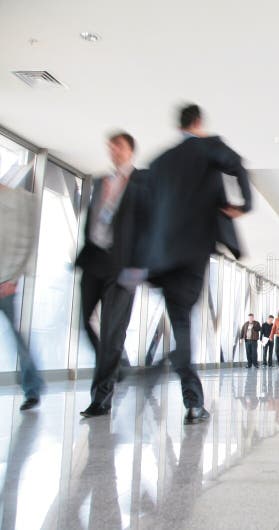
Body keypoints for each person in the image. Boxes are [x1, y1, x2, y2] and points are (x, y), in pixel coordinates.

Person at [144, 103, 253, 424]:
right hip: (194, 250)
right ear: (198, 122)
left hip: (162, 257)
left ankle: (189, 392)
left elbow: (147, 209)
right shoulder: (208, 147)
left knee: (180, 323)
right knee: (183, 325)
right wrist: (244, 204)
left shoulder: (159, 161)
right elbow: (238, 166)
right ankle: (190, 397)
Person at [77, 132, 149, 418]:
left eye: (118, 145)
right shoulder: (100, 182)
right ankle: (117, 365)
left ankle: (101, 398)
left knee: (111, 332)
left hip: (125, 267)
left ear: (130, 150)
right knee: (84, 322)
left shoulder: (143, 182)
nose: (112, 149)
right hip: (95, 260)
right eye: (110, 145)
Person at [0, 183, 43, 411]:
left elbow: (27, 242)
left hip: (5, 281)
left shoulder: (19, 200)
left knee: (17, 338)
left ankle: (33, 387)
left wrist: (14, 278)